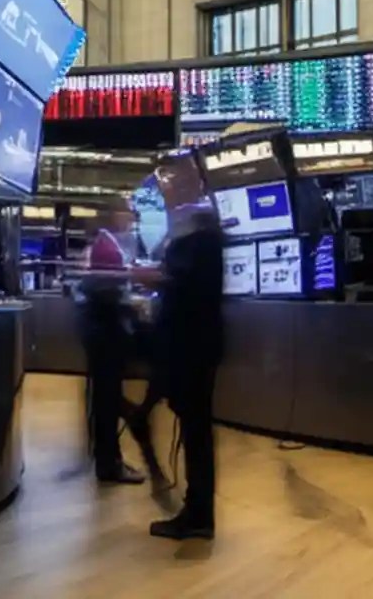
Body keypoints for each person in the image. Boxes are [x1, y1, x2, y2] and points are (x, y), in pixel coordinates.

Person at [149, 203, 224, 540]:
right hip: (200, 350)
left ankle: (197, 516)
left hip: (190, 352)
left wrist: (154, 275)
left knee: (195, 434)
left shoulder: (196, 248)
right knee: (198, 434)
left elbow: (179, 285)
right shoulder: (208, 246)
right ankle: (198, 512)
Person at [77, 198, 149, 484]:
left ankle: (108, 459)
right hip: (106, 333)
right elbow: (107, 291)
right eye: (127, 213)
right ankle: (109, 464)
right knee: (107, 399)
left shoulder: (105, 243)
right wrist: (133, 302)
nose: (131, 219)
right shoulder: (107, 247)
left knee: (105, 398)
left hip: (99, 332)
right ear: (113, 215)